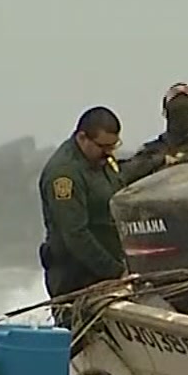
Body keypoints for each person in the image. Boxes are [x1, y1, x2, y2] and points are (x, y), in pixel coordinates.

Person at [37, 106, 127, 328]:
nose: (109, 153)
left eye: (113, 146)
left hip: (106, 277)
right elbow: (75, 234)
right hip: (75, 279)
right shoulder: (65, 175)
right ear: (82, 138)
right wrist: (117, 273)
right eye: (103, 147)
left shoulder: (101, 163)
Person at [116, 82, 188, 184]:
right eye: (175, 110)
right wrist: (158, 160)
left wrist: (172, 163)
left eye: (187, 109)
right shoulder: (151, 150)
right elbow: (125, 174)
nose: (181, 116)